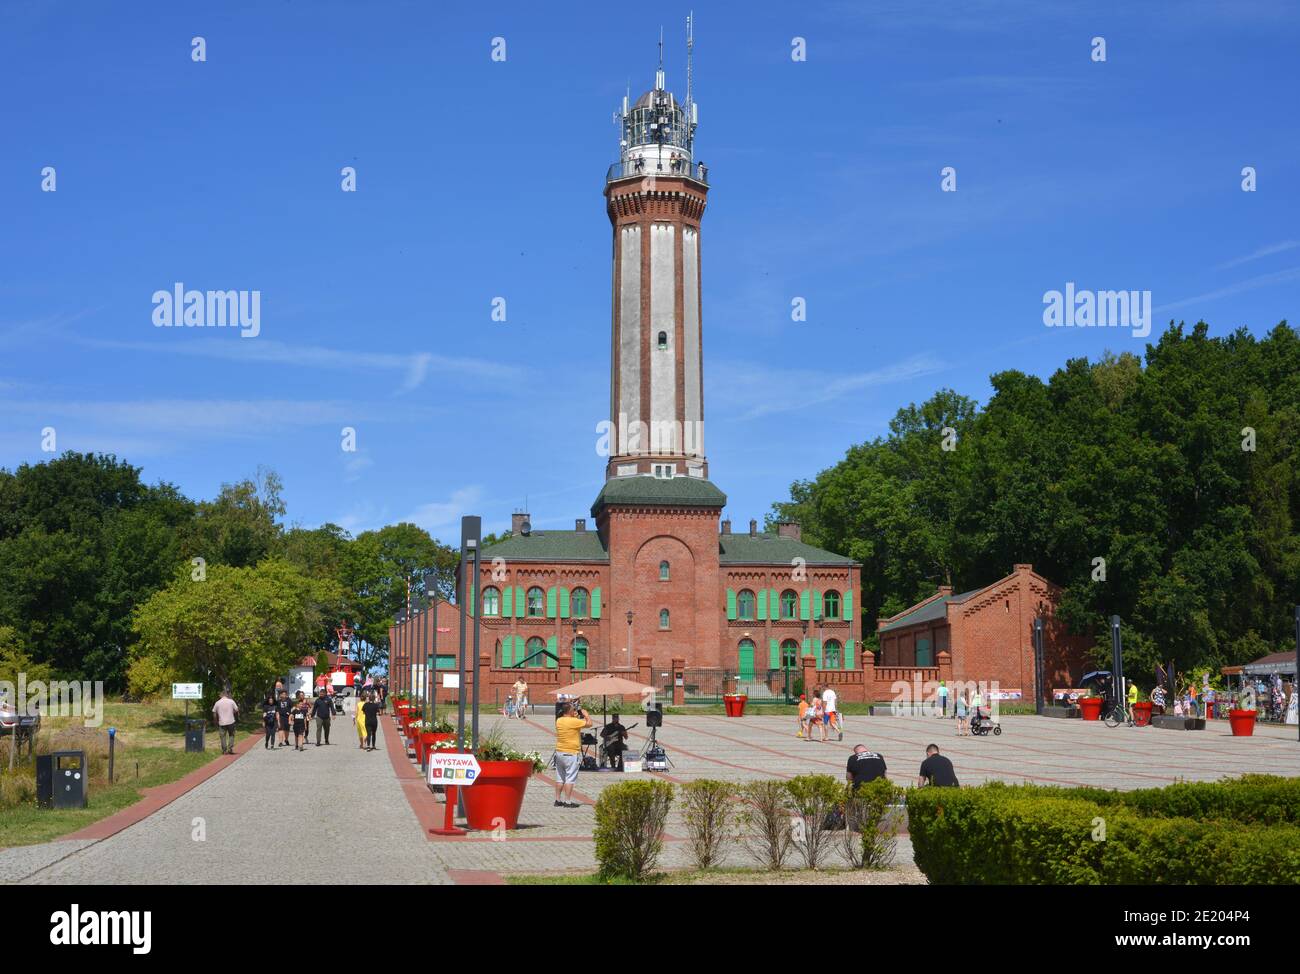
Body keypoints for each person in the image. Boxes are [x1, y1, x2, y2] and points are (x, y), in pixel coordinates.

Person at [553, 701, 591, 807]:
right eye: (573, 709)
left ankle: (557, 800)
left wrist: (575, 716)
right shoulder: (574, 721)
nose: (575, 711)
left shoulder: (559, 720)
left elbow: (571, 722)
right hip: (571, 753)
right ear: (570, 711)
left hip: (559, 752)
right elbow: (589, 724)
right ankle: (567, 801)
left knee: (560, 778)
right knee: (570, 778)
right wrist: (586, 715)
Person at [212, 689, 239, 755]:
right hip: (231, 721)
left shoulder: (217, 703)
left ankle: (224, 750)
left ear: (221, 695)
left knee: (223, 736)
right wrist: (233, 714)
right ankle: (230, 748)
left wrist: (215, 721)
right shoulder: (231, 701)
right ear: (226, 695)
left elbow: (214, 713)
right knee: (231, 735)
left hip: (222, 722)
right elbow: (237, 709)